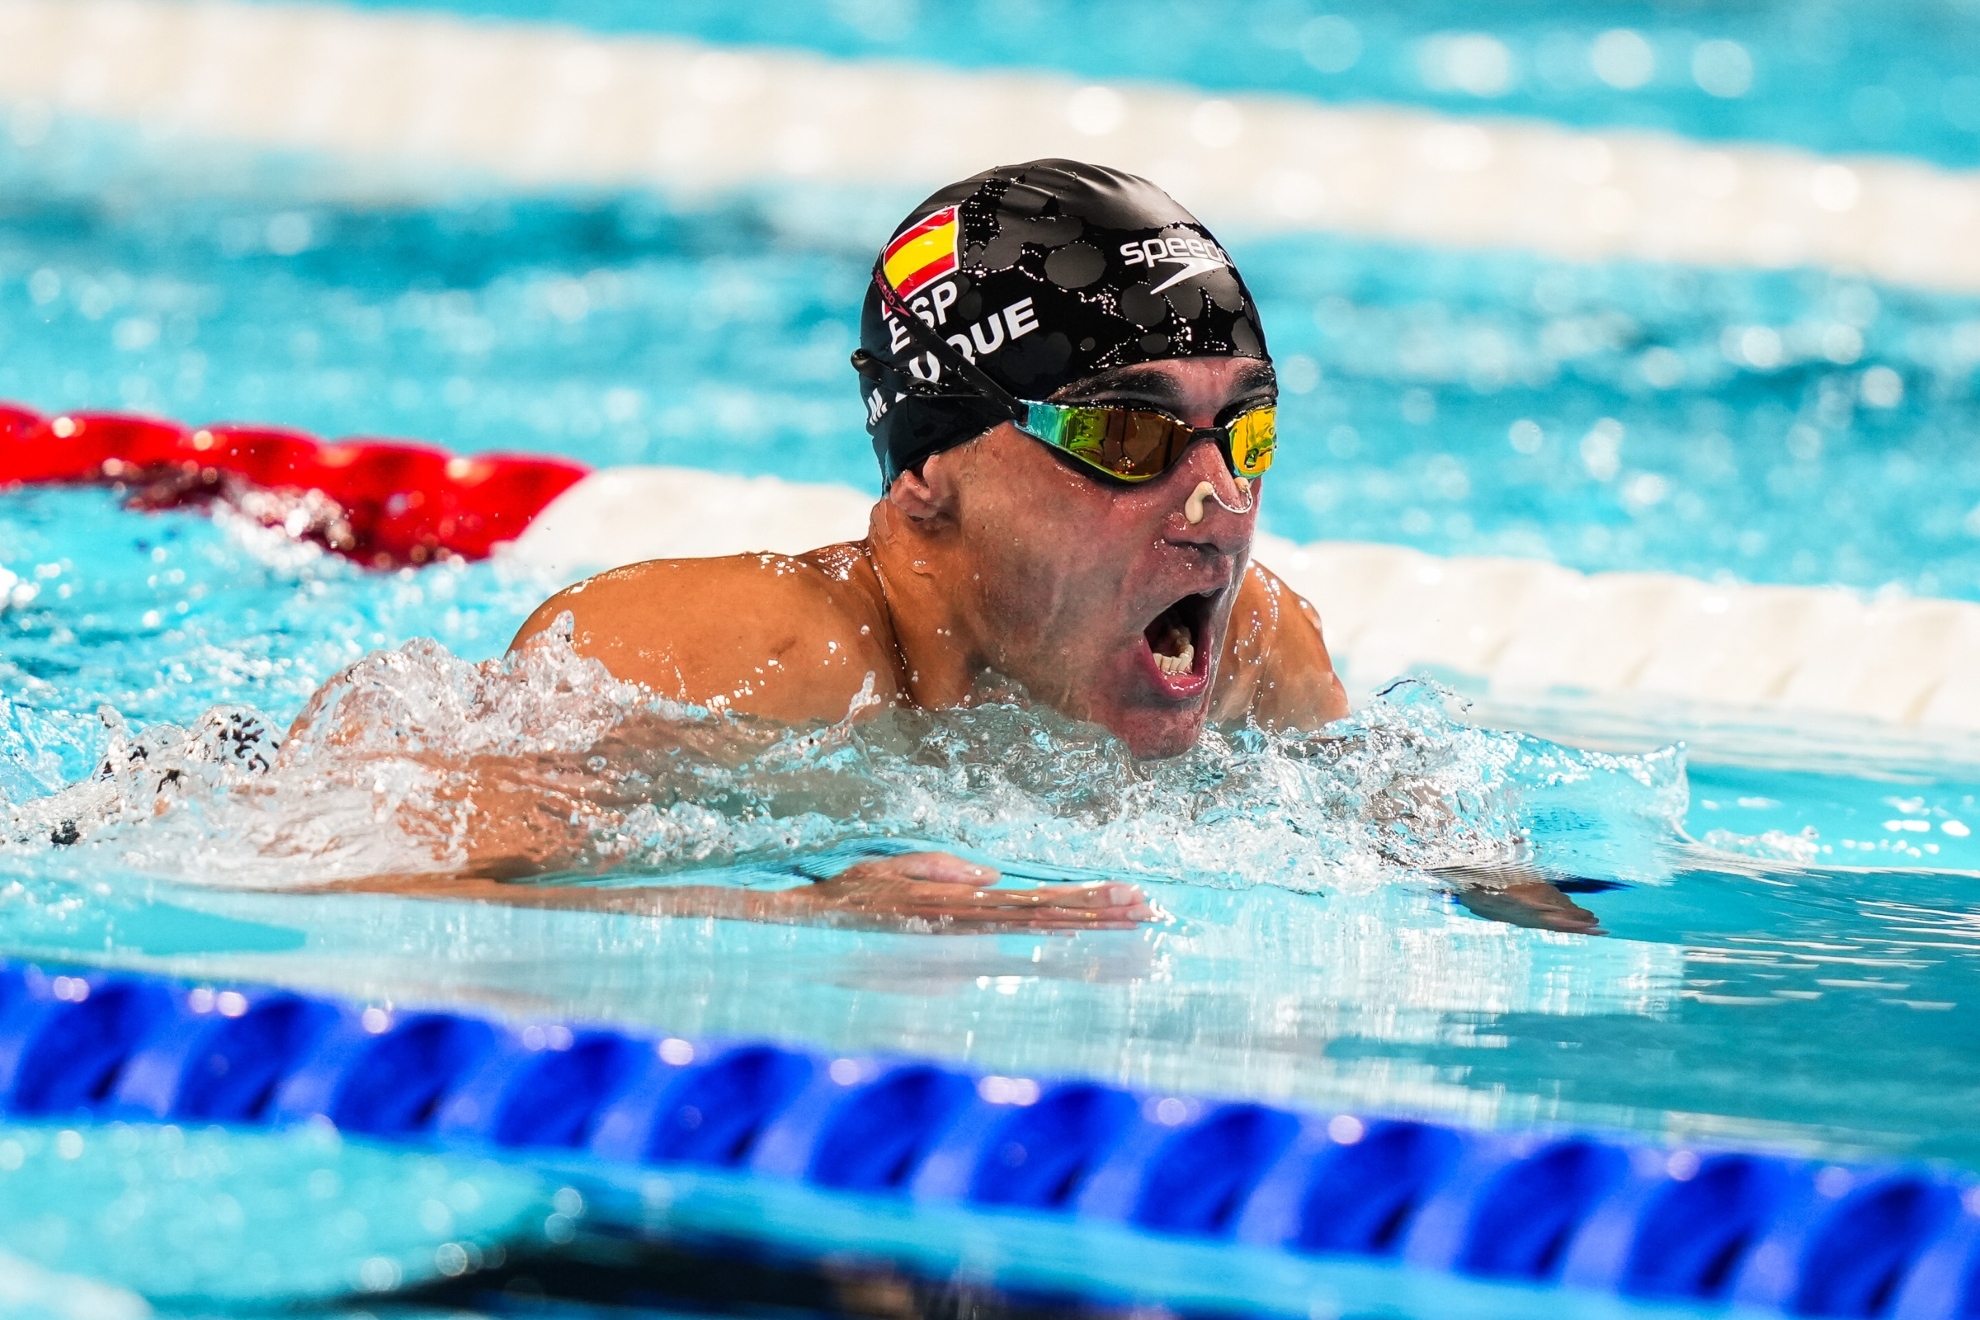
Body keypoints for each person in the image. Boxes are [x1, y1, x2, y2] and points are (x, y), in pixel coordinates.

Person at [340, 159, 1593, 934]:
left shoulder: (1258, 650)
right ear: (928, 471)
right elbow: (381, 885)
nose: (1218, 500)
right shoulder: (728, 656)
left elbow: (1452, 862)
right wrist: (786, 913)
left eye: (1246, 432)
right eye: (1127, 432)